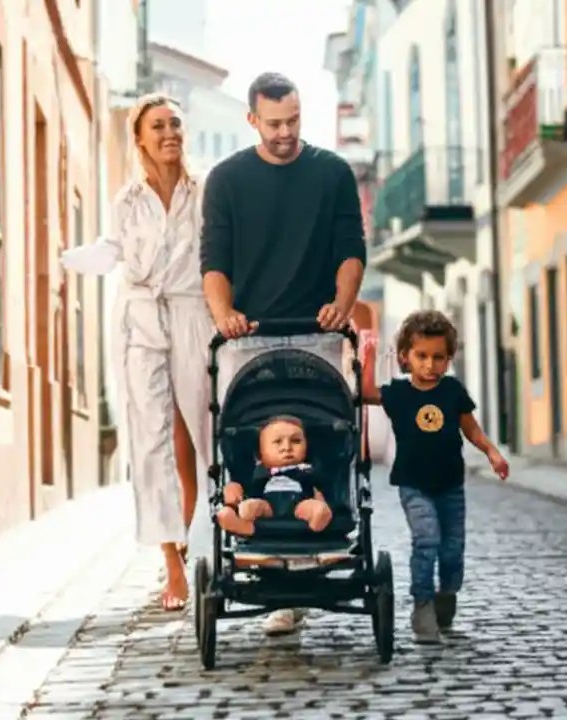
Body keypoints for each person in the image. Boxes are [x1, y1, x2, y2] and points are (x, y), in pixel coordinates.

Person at [200, 71, 365, 636]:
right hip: (248, 338)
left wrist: (343, 302)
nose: (285, 132)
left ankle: (322, 548)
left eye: (293, 120)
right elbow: (214, 260)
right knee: (256, 451)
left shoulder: (332, 173)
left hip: (319, 332)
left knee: (321, 444)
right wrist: (224, 315)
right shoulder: (226, 179)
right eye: (274, 123)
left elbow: (350, 249)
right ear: (252, 120)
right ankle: (278, 588)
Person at [60, 93, 210, 612]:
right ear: (140, 137)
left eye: (176, 123)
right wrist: (67, 258)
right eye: (158, 126)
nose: (170, 133)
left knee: (205, 431)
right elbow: (113, 252)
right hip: (140, 319)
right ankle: (172, 564)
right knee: (151, 441)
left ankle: (209, 541)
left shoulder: (205, 192)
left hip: (194, 313)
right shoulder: (126, 201)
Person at [363, 310, 510, 645]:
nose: (430, 365)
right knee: (426, 539)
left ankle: (446, 598)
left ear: (449, 358)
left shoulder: (452, 391)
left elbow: (470, 427)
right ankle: (423, 606)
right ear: (406, 357)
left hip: (450, 485)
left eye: (438, 357)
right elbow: (367, 392)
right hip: (414, 484)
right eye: (422, 356)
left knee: (452, 549)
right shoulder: (399, 394)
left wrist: (492, 452)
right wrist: (368, 357)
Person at [216, 415, 333, 537]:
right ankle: (243, 525)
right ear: (260, 452)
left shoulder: (308, 470)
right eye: (277, 442)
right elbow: (245, 487)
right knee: (252, 507)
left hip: (300, 503)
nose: (287, 448)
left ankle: (317, 522)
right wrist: (233, 489)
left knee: (315, 508)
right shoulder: (259, 472)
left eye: (296, 441)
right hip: (268, 505)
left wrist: (320, 499)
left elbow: (321, 487)